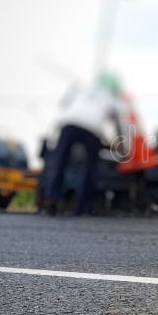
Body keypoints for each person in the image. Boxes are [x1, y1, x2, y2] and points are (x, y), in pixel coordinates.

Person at [43, 72, 125, 216]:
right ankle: (82, 207)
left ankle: (52, 202)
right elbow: (118, 125)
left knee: (60, 161)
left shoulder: (84, 89)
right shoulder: (112, 98)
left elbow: (64, 103)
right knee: (91, 167)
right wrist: (123, 146)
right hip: (92, 129)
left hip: (69, 123)